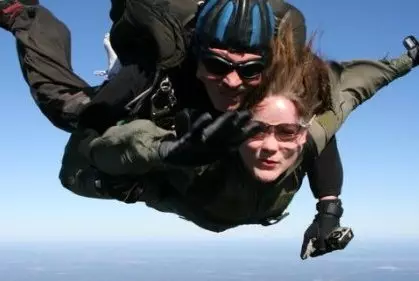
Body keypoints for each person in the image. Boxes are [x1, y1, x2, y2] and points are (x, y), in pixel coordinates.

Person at [1, 0, 346, 258]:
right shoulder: (149, 69)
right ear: (197, 55)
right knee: (66, 109)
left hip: (211, 159)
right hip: (160, 113)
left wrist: (329, 207)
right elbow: (87, 133)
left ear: (264, 64)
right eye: (216, 64)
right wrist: (118, 179)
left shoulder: (278, 76)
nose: (231, 80)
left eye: (248, 70)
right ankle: (23, 15)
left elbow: (315, 127)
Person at [58, 16, 416, 248]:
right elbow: (104, 156)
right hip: (189, 191)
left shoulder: (311, 134)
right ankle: (128, 78)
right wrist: (166, 153)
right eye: (256, 131)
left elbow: (362, 84)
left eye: (287, 132)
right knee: (86, 157)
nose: (270, 147)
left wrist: (329, 211)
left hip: (239, 203)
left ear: (303, 132)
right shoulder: (201, 155)